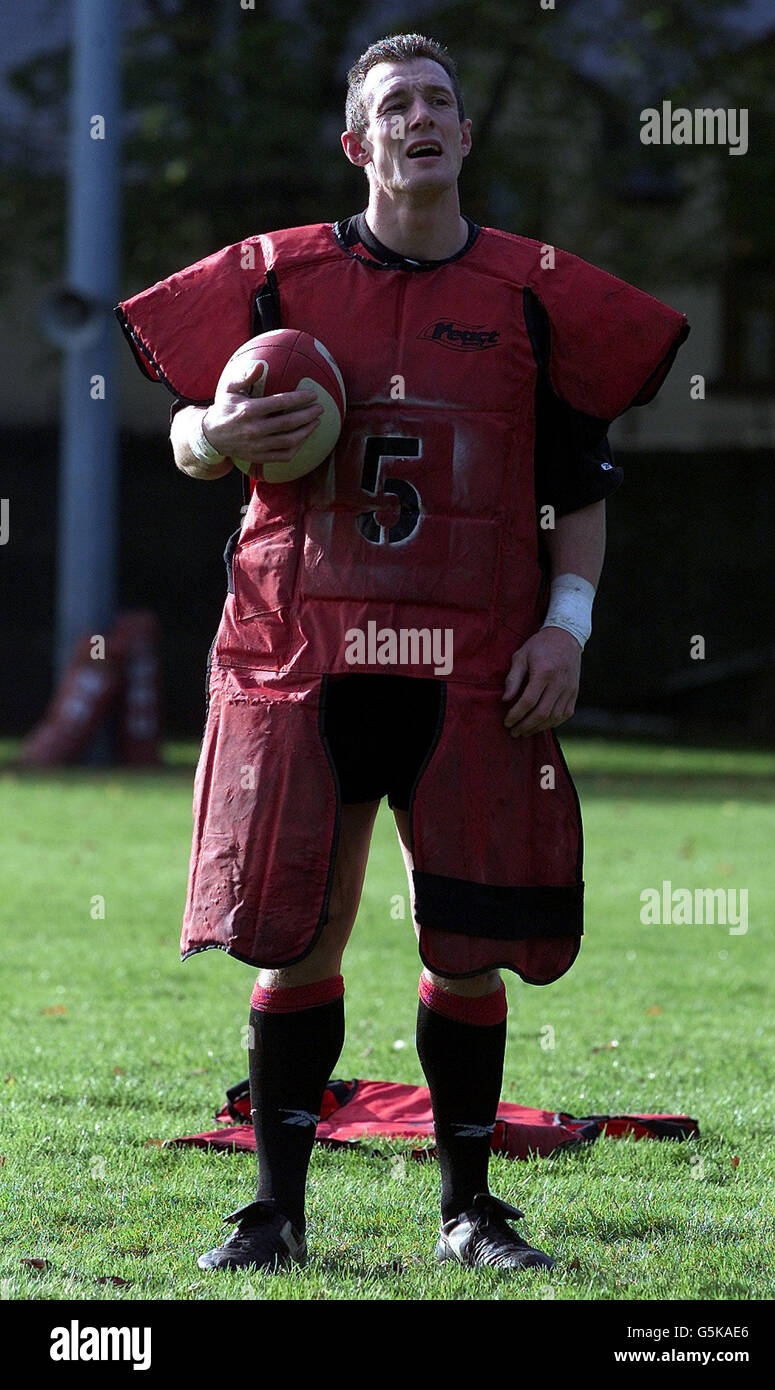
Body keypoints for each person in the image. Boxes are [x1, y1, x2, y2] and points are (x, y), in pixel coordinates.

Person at [116, 33, 688, 1274]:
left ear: (466, 138)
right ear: (357, 142)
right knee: (299, 932)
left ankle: (470, 1210)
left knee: (467, 940)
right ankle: (272, 1212)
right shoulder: (274, 282)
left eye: (439, 101)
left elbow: (580, 484)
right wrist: (210, 428)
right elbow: (182, 433)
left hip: (472, 659)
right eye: (395, 105)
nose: (420, 118)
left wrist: (566, 624)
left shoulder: (532, 294)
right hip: (307, 653)